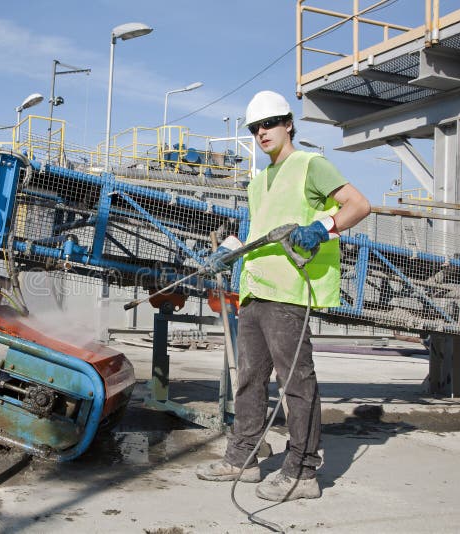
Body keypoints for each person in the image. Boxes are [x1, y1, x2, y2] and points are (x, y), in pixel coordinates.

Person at [196, 90, 371, 501]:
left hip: (291, 292)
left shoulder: (310, 165)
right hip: (255, 290)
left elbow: (359, 205)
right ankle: (244, 457)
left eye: (269, 124)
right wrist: (229, 251)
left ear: (288, 123)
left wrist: (324, 227)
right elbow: (263, 231)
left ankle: (303, 473)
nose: (261, 133)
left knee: (296, 384)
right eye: (255, 128)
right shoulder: (259, 182)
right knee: (250, 381)